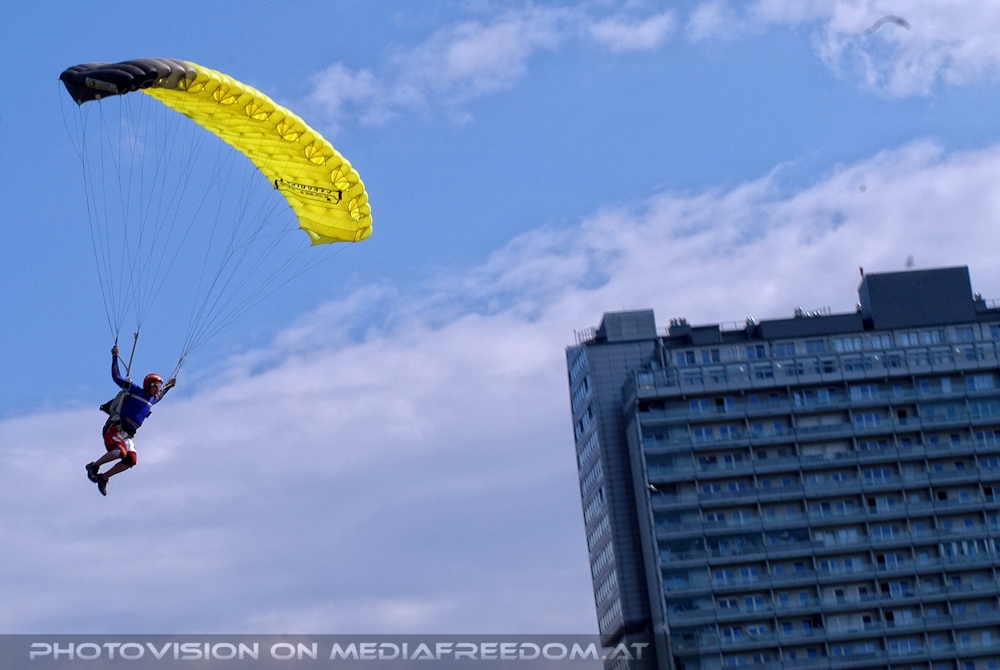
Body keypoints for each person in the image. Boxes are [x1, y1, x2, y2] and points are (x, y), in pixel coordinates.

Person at [86, 344, 176, 496]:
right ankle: (93, 466)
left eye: (159, 386)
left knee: (131, 459)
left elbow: (160, 396)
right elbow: (116, 377)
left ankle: (104, 477)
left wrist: (169, 386)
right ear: (148, 385)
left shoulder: (152, 400)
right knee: (121, 451)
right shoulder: (134, 390)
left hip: (126, 434)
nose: (157, 389)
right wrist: (115, 356)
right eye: (155, 385)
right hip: (114, 428)